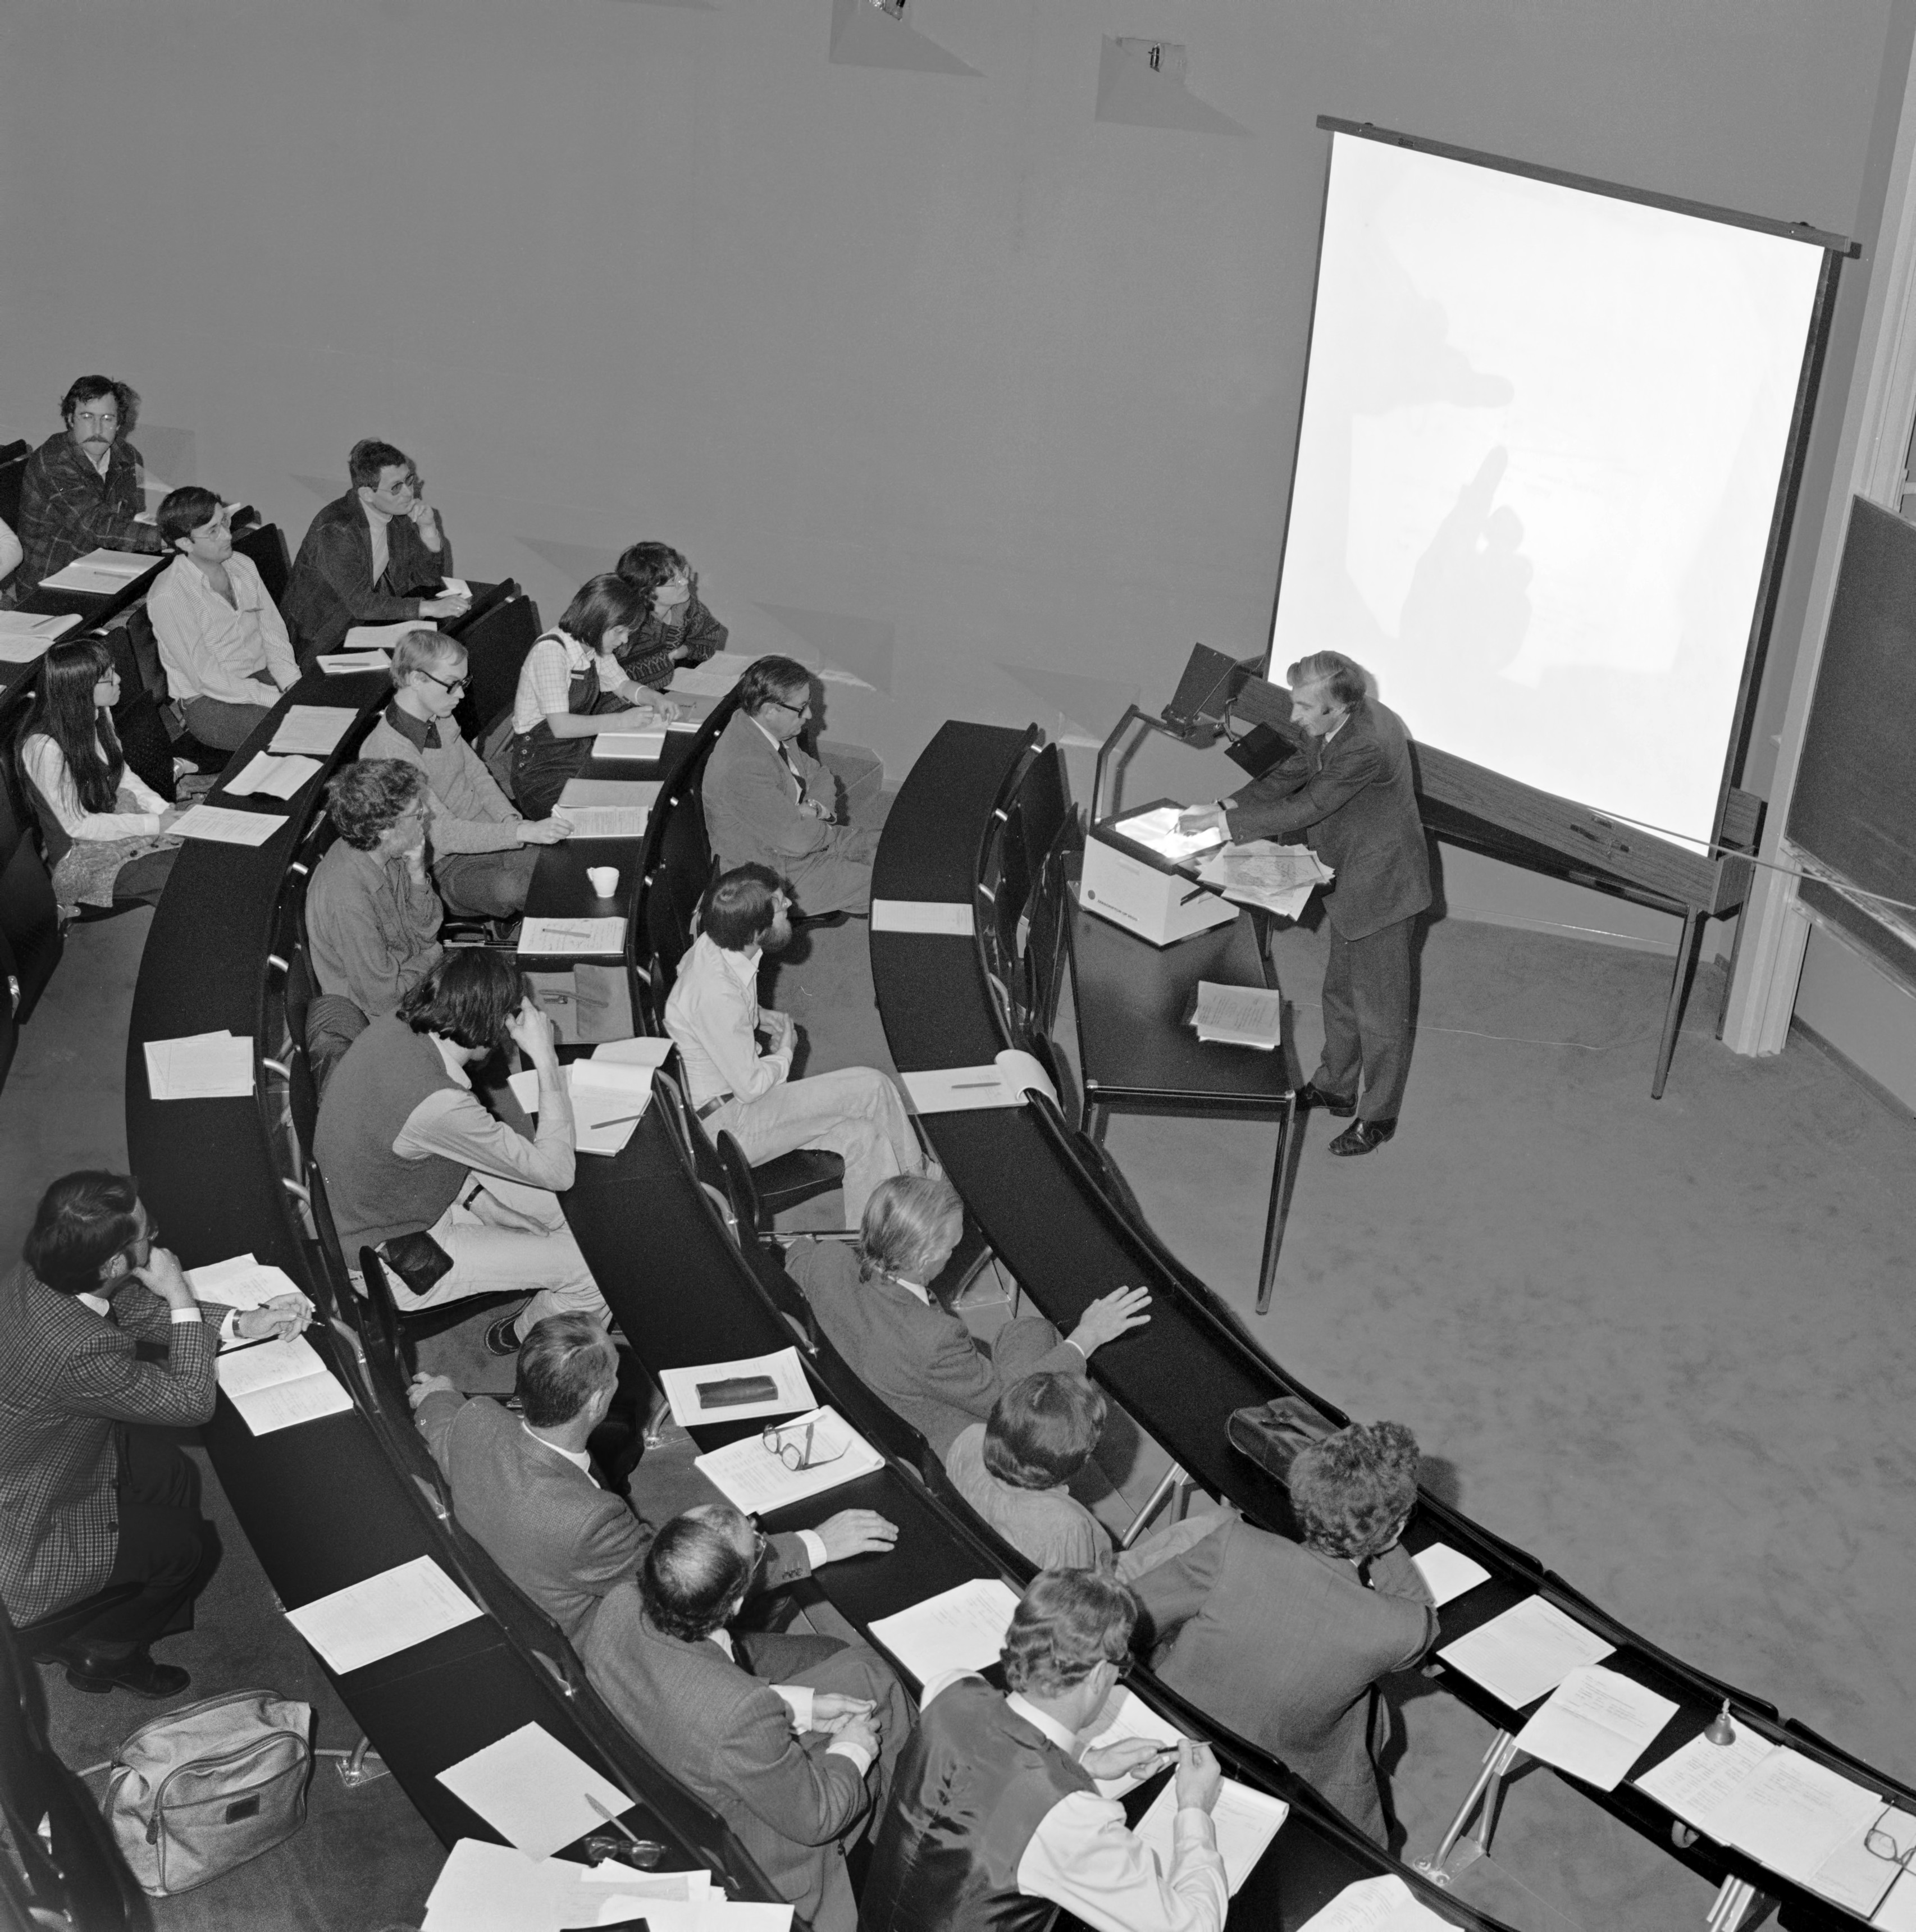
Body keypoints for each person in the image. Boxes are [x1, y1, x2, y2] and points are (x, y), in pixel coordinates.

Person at [406, 1313, 897, 1642]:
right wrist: (818, 1543)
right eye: (616, 1375)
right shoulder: (592, 1521)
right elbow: (684, 1580)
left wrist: (436, 1392)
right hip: (608, 1642)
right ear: (598, 1402)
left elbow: (439, 1416)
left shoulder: (477, 1421)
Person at [0, 1173, 304, 1698]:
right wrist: (179, 1290)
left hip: (43, 1454)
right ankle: (106, 1651)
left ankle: (123, 1605)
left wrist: (242, 1323)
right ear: (115, 1263)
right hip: (26, 1524)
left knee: (173, 1474)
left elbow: (120, 1312)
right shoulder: (77, 1351)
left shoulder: (46, 1268)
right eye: (149, 1233)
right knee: (187, 1549)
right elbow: (191, 1402)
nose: (157, 1242)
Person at [581, 1502, 913, 1932]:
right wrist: (854, 1746)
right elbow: (818, 1817)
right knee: (878, 1693)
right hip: (762, 1856)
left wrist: (799, 1707)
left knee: (867, 1672)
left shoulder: (618, 1606)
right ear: (736, 1602)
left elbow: (683, 1697)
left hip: (678, 1765)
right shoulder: (741, 1711)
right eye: (756, 1545)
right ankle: (902, 1860)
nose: (760, 1535)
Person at [859, 1567, 1229, 1932]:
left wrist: (1087, 1762)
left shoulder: (951, 1688)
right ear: (1101, 1674)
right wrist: (1195, 1807)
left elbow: (982, 1771)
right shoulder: (1073, 1820)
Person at [1129, 1419, 1437, 1845]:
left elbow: (1135, 1613)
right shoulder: (1396, 1626)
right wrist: (1378, 1532)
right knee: (1370, 1714)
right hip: (1286, 1783)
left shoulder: (1235, 1546)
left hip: (1171, 1732)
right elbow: (1423, 1615)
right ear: (1397, 1528)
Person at [1178, 650, 1429, 1156]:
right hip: (1349, 874)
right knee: (1339, 992)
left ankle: (1377, 1115)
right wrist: (1225, 805)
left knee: (1380, 1014)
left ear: (1338, 708)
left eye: (1304, 709)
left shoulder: (1369, 744)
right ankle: (1336, 1083)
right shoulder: (1336, 720)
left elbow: (1312, 802)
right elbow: (1295, 765)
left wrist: (1225, 828)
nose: (1294, 718)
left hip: (1381, 887)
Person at [312, 949, 612, 1355]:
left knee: (589, 1214)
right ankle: (524, 1336)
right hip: (397, 1256)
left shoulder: (401, 1022)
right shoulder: (441, 1103)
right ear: (488, 1031)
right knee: (595, 1266)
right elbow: (558, 1171)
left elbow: (421, 1144)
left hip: (395, 1200)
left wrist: (482, 1202)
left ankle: (542, 1286)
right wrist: (545, 1060)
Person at [787, 1173, 1149, 1458]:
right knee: (1038, 1339)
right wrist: (1087, 1337)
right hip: (950, 1430)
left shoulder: (828, 1261)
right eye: (952, 1247)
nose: (955, 1253)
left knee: (1027, 1330)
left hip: (866, 1380)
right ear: (924, 1259)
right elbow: (1007, 1401)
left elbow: (797, 1252)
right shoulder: (936, 1339)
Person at [664, 864, 928, 1222]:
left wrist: (754, 1015)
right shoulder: (717, 993)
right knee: (874, 1087)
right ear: (756, 931)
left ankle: (877, 1252)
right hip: (729, 1126)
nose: (788, 902)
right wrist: (786, 1050)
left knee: (867, 1139)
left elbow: (696, 1004)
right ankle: (923, 1187)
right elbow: (752, 1086)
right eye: (778, 905)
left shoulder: (715, 943)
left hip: (729, 1104)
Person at [360, 628, 568, 918]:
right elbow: (442, 835)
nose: (460, 694)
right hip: (442, 863)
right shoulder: (388, 752)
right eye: (451, 684)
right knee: (514, 888)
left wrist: (508, 818)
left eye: (463, 682)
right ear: (415, 678)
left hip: (489, 831)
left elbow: (477, 774)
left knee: (564, 864)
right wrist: (520, 831)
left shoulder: (438, 712)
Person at [946, 1373, 1224, 1581]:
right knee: (1219, 1524)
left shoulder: (969, 1440)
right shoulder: (1066, 1525)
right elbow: (1077, 1601)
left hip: (989, 1559)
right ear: (1081, 1460)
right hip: (1091, 1588)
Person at [17, 638, 182, 919]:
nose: (119, 680)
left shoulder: (98, 712)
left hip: (116, 817)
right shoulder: (44, 748)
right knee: (180, 874)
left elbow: (122, 776)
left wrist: (162, 809)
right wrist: (154, 823)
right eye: (108, 679)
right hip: (84, 856)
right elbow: (78, 826)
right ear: (81, 690)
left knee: (200, 847)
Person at [702, 656, 877, 919]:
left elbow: (821, 775)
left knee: (897, 847)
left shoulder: (773, 730)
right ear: (771, 710)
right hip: (775, 872)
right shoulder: (742, 768)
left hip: (805, 840)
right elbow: (795, 842)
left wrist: (813, 809)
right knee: (888, 887)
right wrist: (817, 827)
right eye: (802, 707)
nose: (809, 715)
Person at [507, 573, 678, 819]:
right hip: (540, 769)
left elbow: (622, 684)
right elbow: (561, 727)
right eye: (619, 632)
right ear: (597, 621)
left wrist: (655, 699)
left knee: (639, 800)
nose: (625, 640)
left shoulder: (594, 645)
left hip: (576, 753)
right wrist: (620, 722)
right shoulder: (551, 652)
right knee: (598, 821)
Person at [282, 439, 470, 661]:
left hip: (365, 625)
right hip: (318, 639)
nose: (409, 493)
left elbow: (426, 580)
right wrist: (429, 608)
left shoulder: (398, 516)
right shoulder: (337, 530)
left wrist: (428, 529)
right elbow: (361, 603)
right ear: (367, 494)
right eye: (396, 488)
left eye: (409, 480)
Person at [145, 486, 299, 751]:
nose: (227, 535)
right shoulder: (170, 595)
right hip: (211, 702)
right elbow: (205, 677)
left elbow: (273, 632)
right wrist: (272, 697)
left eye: (224, 522)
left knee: (323, 716)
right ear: (185, 543)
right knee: (295, 735)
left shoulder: (242, 565)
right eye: (213, 531)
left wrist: (292, 682)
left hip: (261, 677)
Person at [305, 761, 443, 1020]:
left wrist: (417, 874)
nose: (426, 817)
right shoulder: (348, 899)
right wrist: (432, 958)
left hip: (410, 980)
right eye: (417, 813)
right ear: (384, 829)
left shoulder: (389, 853)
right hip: (378, 1019)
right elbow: (383, 999)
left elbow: (425, 933)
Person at [15, 376, 167, 591]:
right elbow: (97, 525)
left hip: (102, 569)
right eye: (87, 417)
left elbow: (125, 517)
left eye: (107, 418)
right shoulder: (53, 462)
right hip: (50, 585)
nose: (97, 429)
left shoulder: (126, 456)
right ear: (70, 419)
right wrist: (171, 535)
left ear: (119, 424)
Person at [612, 541, 727, 690]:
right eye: (675, 582)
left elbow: (710, 639)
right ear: (647, 591)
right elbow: (636, 681)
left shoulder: (686, 607)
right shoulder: (630, 628)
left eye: (683, 573)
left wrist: (685, 650)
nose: (685, 582)